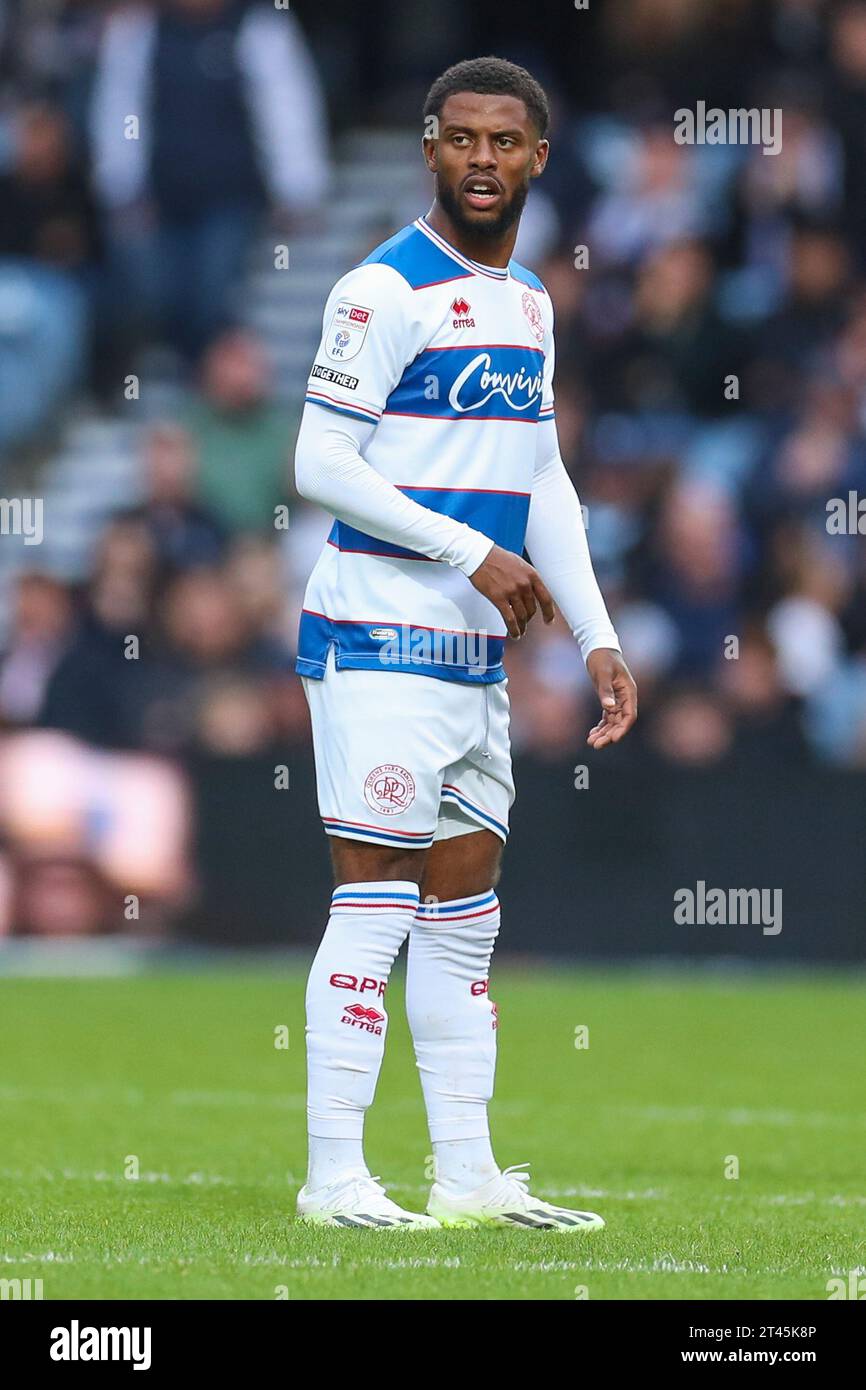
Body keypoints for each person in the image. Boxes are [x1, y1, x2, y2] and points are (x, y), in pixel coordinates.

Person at [293, 56, 637, 1231]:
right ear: (429, 148)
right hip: (376, 634)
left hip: (474, 656)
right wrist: (464, 552)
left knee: (465, 917)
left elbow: (540, 477)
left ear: (539, 156)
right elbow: (319, 465)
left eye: (506, 141)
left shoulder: (530, 304)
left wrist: (594, 635)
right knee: (377, 901)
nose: (482, 159)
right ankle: (332, 1178)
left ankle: (465, 1177)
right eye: (461, 139)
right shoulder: (377, 291)